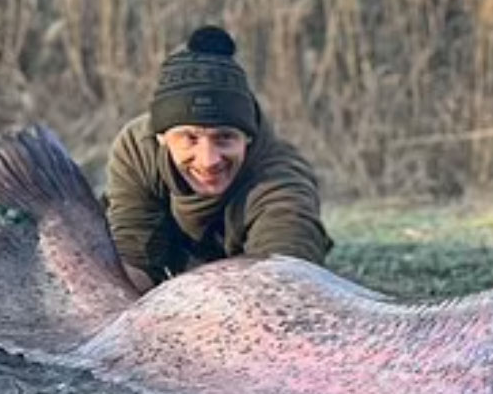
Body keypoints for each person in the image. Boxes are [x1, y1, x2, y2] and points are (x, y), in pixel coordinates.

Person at [105, 24, 333, 291]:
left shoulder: (281, 179)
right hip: (169, 285)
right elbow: (132, 258)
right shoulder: (137, 149)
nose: (208, 160)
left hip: (250, 294)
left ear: (248, 136)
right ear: (162, 138)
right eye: (190, 138)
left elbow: (285, 283)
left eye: (224, 138)